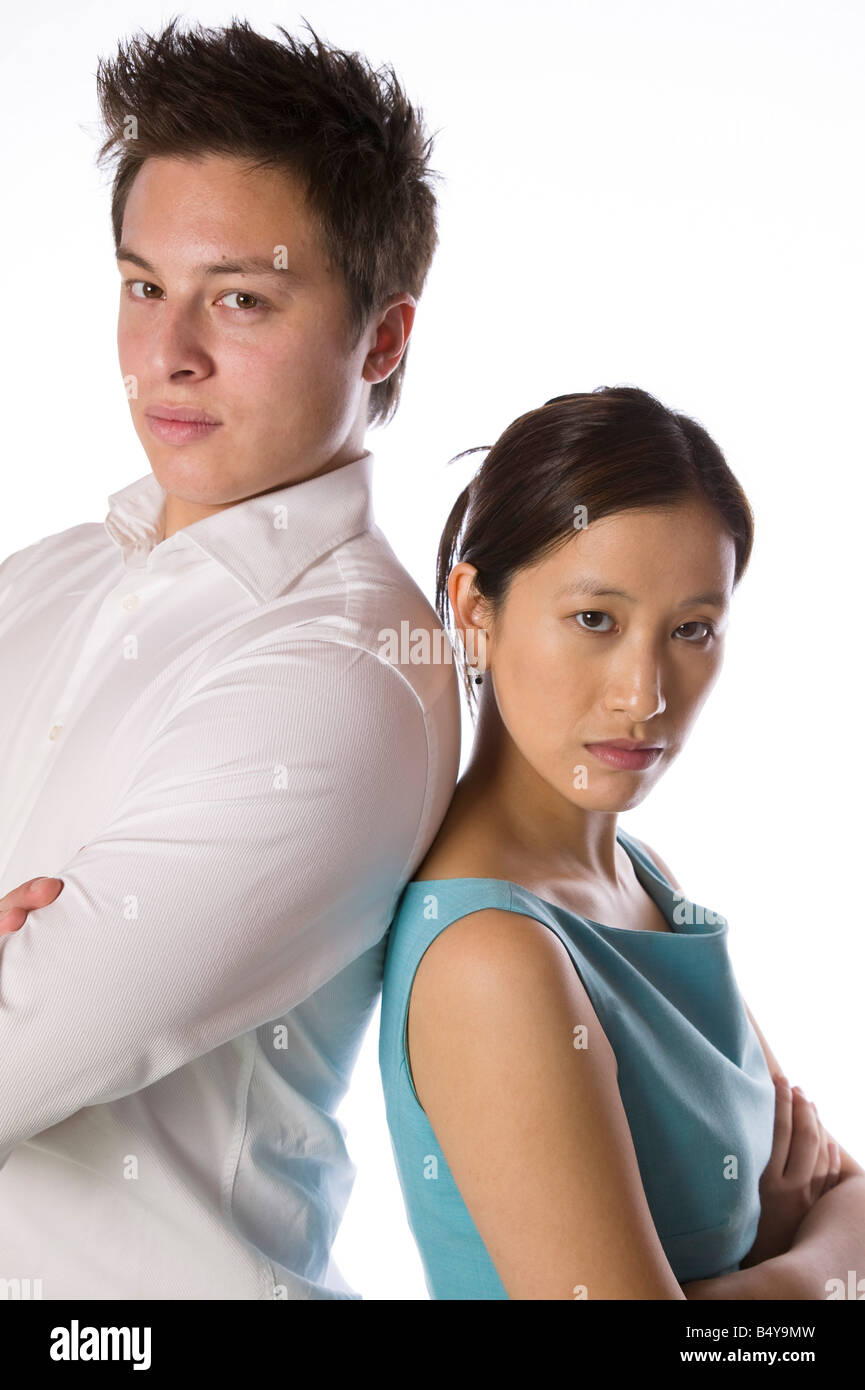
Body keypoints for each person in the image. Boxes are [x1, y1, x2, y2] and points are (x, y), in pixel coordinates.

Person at [0, 18, 460, 1299]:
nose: (168, 355)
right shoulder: (41, 580)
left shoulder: (349, 668)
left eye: (240, 298)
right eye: (144, 287)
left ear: (381, 339)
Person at [378, 386, 865, 1300]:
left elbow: (846, 1188)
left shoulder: (637, 878)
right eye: (594, 619)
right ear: (474, 612)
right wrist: (808, 1275)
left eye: (690, 630)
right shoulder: (493, 956)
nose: (644, 694)